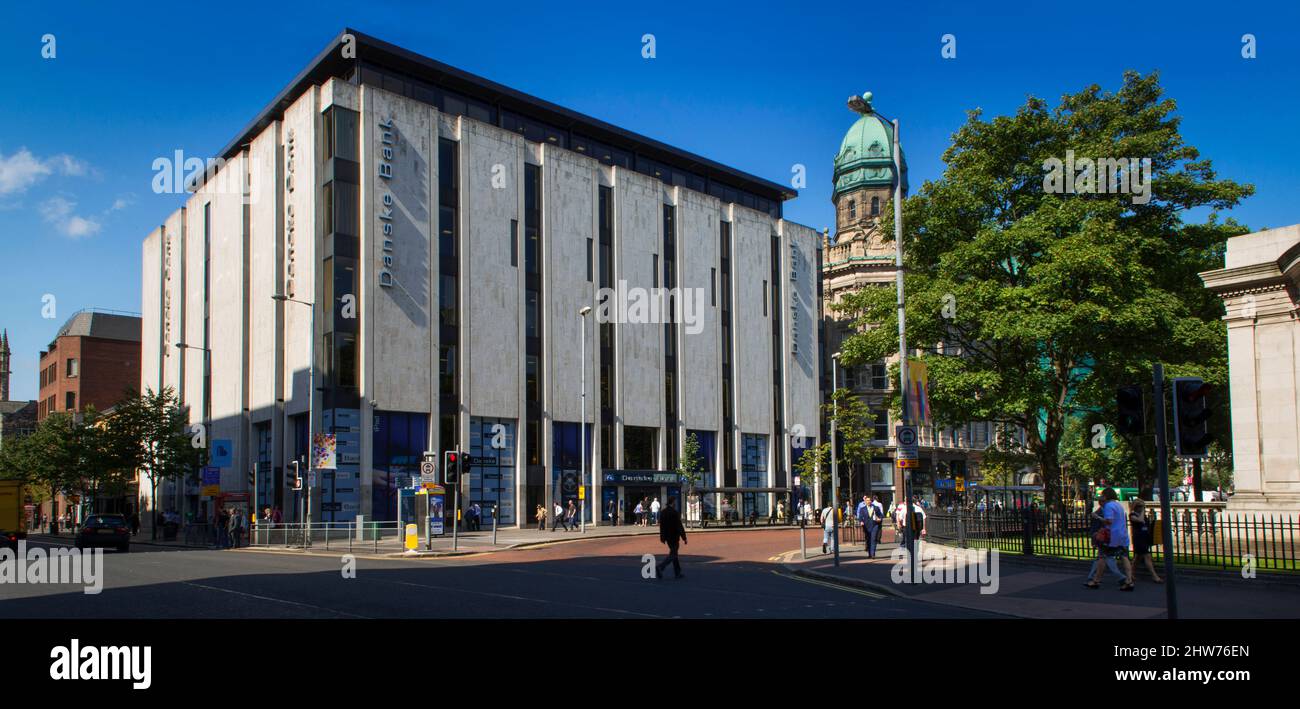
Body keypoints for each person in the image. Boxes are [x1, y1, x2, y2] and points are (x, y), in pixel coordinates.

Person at [1085, 488, 1134, 590]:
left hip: (1111, 537)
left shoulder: (1109, 506)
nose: (1101, 497)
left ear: (1106, 496)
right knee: (1124, 557)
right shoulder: (1119, 505)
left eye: (1103, 495)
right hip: (1122, 535)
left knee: (1102, 557)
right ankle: (1129, 580)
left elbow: (1109, 521)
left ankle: (1096, 581)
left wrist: (1097, 517)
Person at [1129, 498, 1162, 583]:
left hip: (1144, 537)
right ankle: (1154, 576)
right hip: (1138, 539)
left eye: (1142, 506)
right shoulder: (1132, 515)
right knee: (1147, 556)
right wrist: (1143, 511)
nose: (1141, 508)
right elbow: (1140, 520)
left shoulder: (1143, 515)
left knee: (1137, 558)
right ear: (1135, 507)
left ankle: (1130, 574)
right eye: (1140, 506)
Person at [655, 498, 688, 579]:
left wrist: (662, 537)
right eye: (674, 502)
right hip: (674, 536)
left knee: (674, 553)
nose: (675, 504)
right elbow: (679, 526)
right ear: (672, 503)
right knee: (673, 554)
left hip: (667, 537)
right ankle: (661, 567)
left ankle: (677, 572)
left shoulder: (663, 512)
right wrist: (684, 538)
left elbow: (661, 526)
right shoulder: (674, 512)